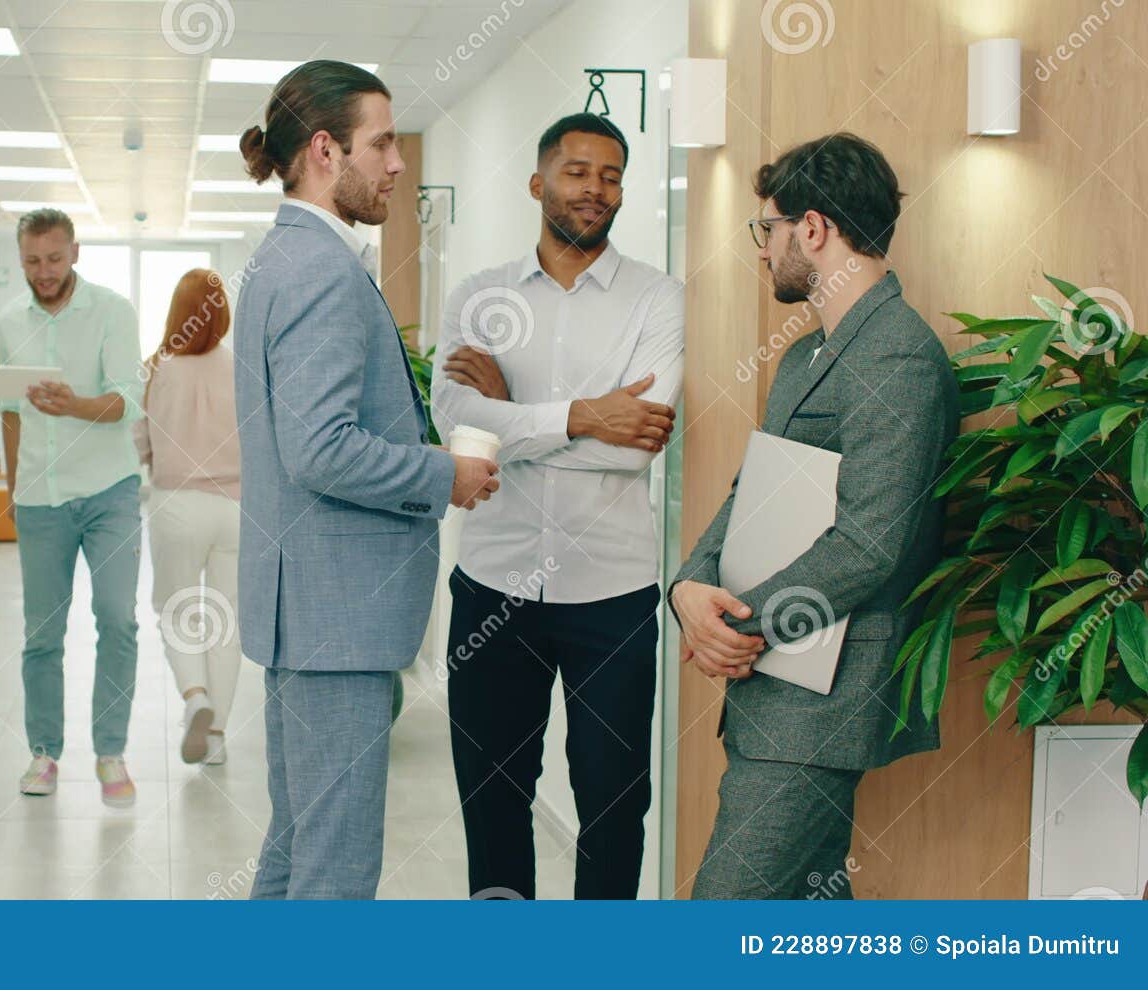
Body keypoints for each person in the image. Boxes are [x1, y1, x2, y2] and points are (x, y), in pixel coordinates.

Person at [233, 60, 499, 900]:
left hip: (305, 610)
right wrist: (443, 473)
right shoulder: (321, 269)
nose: (395, 164)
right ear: (323, 150)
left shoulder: (281, 257)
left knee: (297, 847)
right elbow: (319, 448)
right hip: (334, 618)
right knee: (335, 868)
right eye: (381, 144)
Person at [669, 133, 956, 899]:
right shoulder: (806, 356)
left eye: (769, 230)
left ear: (815, 228)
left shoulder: (900, 354)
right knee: (809, 922)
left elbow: (871, 544)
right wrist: (688, 588)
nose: (763, 252)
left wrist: (738, 621)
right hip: (777, 686)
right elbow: (748, 493)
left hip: (822, 700)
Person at [432, 113, 684, 900]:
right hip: (493, 584)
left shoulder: (659, 298)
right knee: (493, 792)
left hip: (611, 591)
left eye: (610, 176)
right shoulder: (481, 296)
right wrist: (578, 414)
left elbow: (638, 442)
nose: (595, 190)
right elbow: (455, 425)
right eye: (577, 172)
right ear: (539, 183)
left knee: (615, 798)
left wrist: (513, 412)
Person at [0, 208, 145, 805]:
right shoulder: (11, 320)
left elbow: (128, 401)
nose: (44, 271)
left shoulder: (113, 310)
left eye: (54, 258)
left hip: (109, 491)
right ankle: (44, 754)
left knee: (116, 619)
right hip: (39, 498)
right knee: (42, 635)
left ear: (75, 253)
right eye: (33, 260)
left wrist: (72, 406)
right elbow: (7, 409)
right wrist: (13, 489)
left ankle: (109, 752)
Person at [134, 268, 242, 767]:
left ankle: (194, 696)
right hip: (237, 509)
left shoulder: (157, 367)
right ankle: (216, 735)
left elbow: (140, 439)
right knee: (225, 622)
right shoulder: (242, 367)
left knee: (178, 612)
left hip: (176, 503)